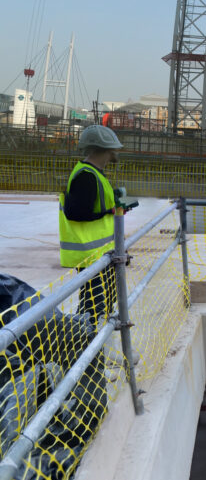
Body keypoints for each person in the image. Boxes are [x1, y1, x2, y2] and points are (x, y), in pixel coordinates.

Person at [59, 123, 123, 329]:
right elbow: (76, 212)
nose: (116, 153)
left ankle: (92, 343)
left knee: (102, 302)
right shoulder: (86, 176)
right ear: (104, 150)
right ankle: (82, 346)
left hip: (102, 253)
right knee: (92, 307)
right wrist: (109, 212)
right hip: (90, 253)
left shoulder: (95, 173)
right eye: (114, 148)